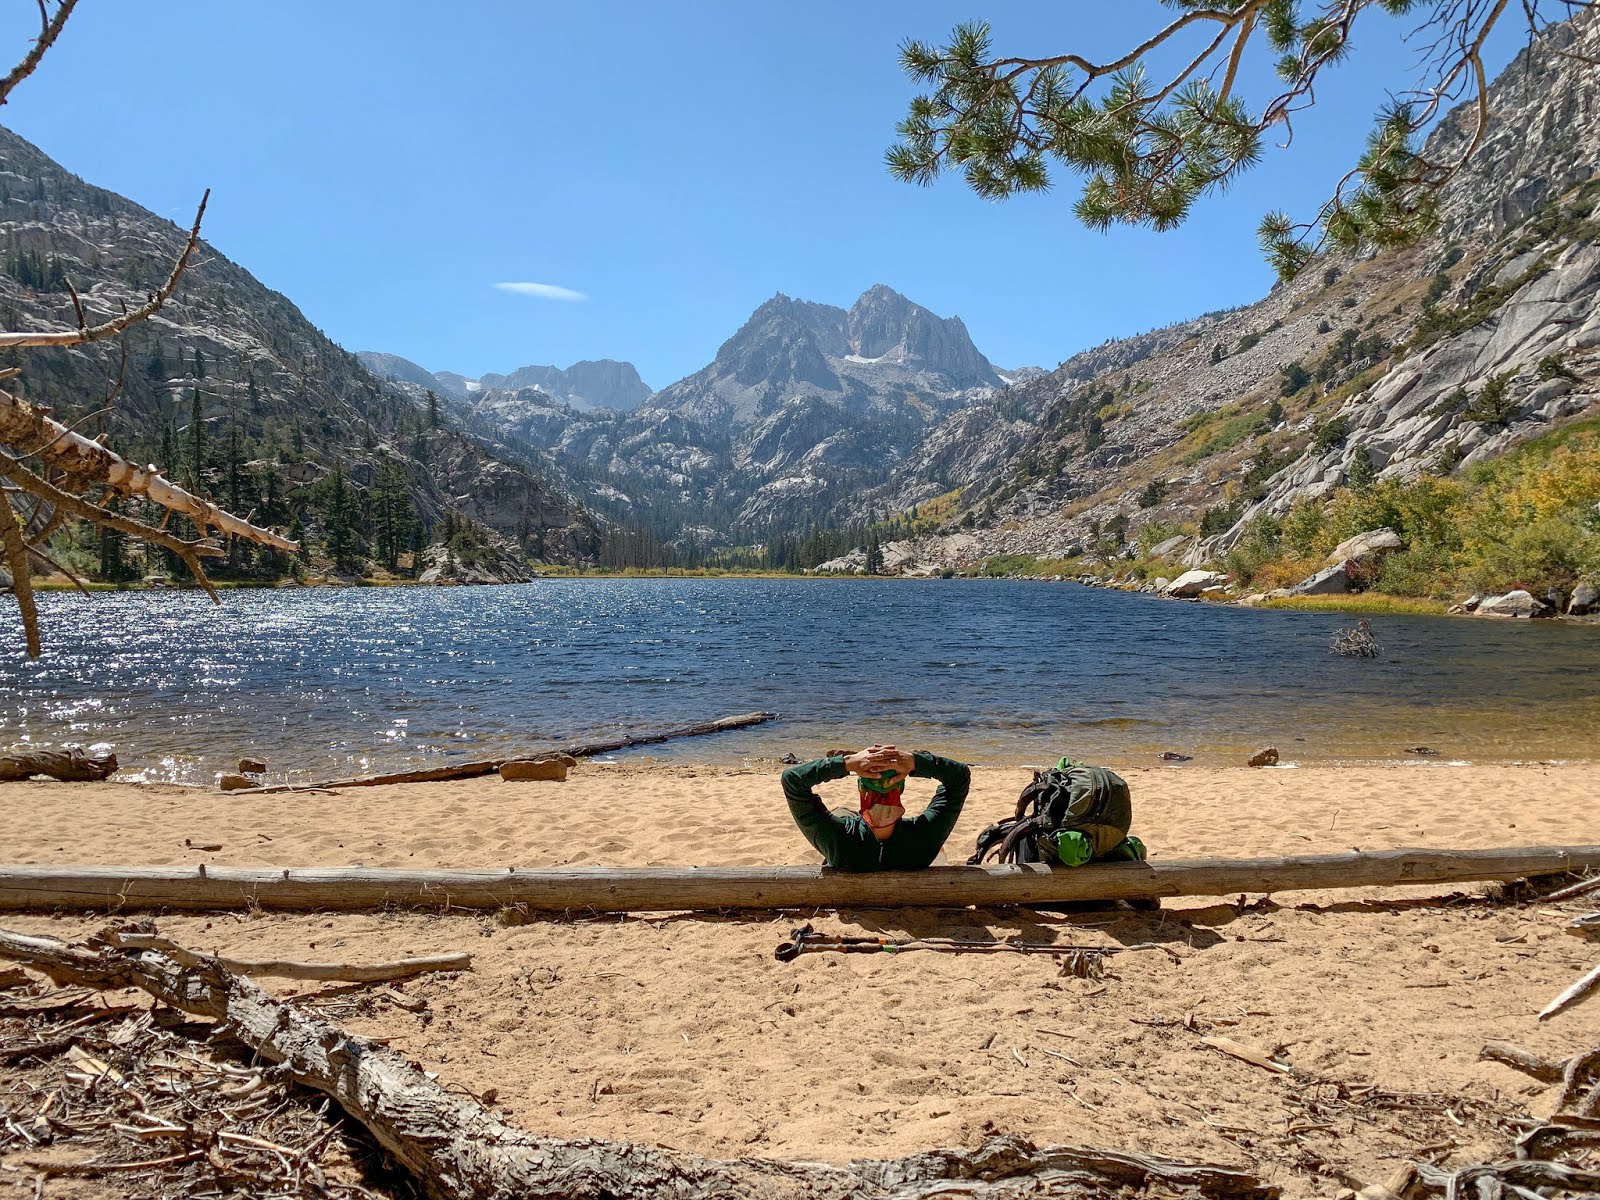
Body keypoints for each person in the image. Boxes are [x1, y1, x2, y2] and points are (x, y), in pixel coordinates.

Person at [780, 743, 970, 871]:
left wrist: (847, 763)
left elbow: (792, 780)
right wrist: (915, 762)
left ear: (862, 790)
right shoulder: (923, 840)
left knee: (841, 812)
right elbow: (959, 777)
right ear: (900, 788)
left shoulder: (838, 842)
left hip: (854, 856)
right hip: (910, 856)